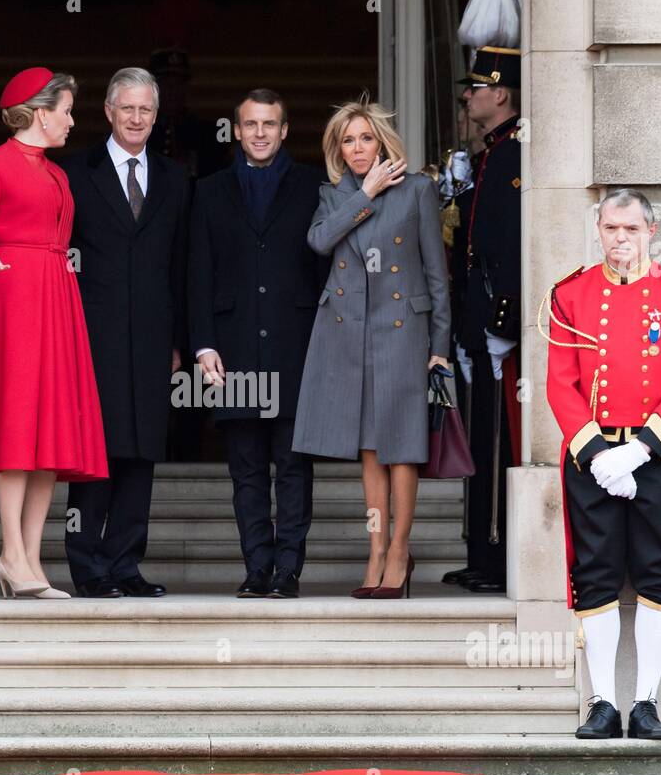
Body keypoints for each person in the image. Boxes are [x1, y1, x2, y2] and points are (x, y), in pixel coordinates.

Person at [542, 188, 661, 740]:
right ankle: (602, 703)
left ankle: (645, 704)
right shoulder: (570, 294)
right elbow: (560, 385)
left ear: (650, 232)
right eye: (612, 228)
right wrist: (598, 457)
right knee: (594, 576)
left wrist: (637, 451)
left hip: (656, 457)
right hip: (590, 459)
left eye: (631, 229)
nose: (620, 238)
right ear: (599, 230)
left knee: (657, 574)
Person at [0, 67, 108, 600]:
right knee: (16, 427)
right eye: (66, 111)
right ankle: (11, 553)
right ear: (41, 113)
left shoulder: (59, 175)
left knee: (49, 435)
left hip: (56, 296)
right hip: (14, 299)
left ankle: (31, 560)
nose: (71, 121)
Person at [291, 97, 451, 599]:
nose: (357, 148)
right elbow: (319, 241)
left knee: (401, 448)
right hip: (350, 333)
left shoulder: (419, 189)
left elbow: (436, 274)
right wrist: (364, 193)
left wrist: (440, 346)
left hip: (403, 329)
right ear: (337, 149)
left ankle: (400, 551)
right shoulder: (334, 194)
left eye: (365, 138)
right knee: (368, 452)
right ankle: (376, 550)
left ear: (381, 141)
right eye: (347, 140)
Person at [59, 67, 192, 598]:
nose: (136, 118)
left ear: (155, 117)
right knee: (95, 451)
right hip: (91, 335)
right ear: (109, 112)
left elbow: (181, 265)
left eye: (146, 110)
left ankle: (125, 563)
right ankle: (87, 564)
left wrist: (181, 338)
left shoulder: (175, 177)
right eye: (127, 109)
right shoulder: (73, 172)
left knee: (141, 452)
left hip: (153, 337)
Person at [188, 89, 326, 598]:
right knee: (246, 469)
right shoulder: (208, 190)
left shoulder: (315, 185)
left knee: (292, 467)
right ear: (237, 130)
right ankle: (256, 567)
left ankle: (288, 571)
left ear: (284, 129)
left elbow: (325, 270)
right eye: (251, 124)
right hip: (234, 348)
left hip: (298, 346)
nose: (260, 133)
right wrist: (202, 344)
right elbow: (197, 272)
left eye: (270, 124)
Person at [443, 45, 522, 594]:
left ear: (500, 93)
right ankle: (479, 552)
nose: (469, 97)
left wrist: (503, 319)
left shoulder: (514, 155)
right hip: (475, 322)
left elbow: (515, 246)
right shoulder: (490, 154)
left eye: (476, 88)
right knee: (479, 442)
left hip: (497, 324)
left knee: (497, 442)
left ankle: (495, 558)